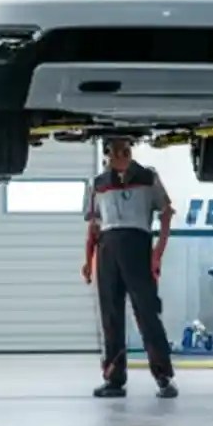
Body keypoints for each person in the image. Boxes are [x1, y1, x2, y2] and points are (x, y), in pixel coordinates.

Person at [82, 138, 178, 399]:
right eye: (113, 151)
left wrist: (158, 253)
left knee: (147, 312)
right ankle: (114, 379)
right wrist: (88, 259)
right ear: (106, 153)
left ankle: (163, 377)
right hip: (107, 250)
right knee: (110, 315)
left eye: (124, 149)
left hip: (138, 246)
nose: (119, 155)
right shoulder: (97, 184)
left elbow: (166, 213)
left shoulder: (148, 178)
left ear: (130, 149)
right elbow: (93, 226)